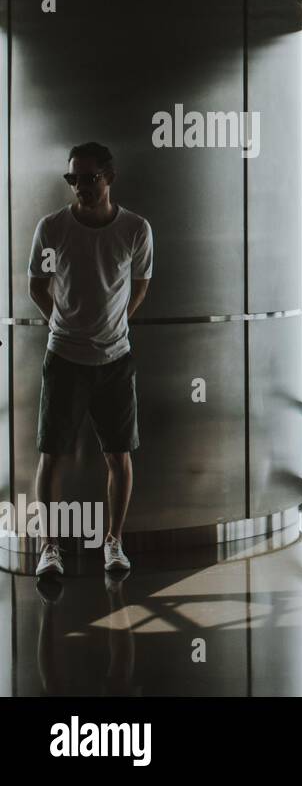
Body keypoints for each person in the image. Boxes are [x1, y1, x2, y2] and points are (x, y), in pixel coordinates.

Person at [30, 142, 153, 579]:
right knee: (52, 454)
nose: (80, 186)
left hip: (115, 359)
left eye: (89, 177)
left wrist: (114, 324)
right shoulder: (52, 228)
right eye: (73, 178)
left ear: (109, 177)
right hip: (63, 358)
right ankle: (49, 547)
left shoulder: (136, 229)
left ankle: (113, 543)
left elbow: (140, 284)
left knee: (119, 455)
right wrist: (61, 324)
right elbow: (37, 284)